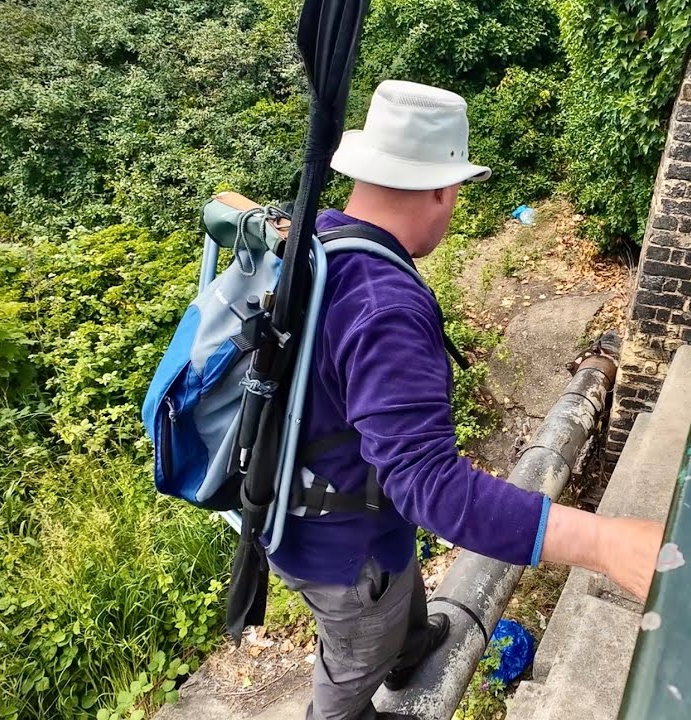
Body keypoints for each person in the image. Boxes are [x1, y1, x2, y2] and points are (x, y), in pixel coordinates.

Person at [267, 79, 664, 720]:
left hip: (312, 490)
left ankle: (411, 646)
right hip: (340, 542)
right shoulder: (383, 304)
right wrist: (604, 542)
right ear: (441, 189)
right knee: (352, 659)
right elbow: (431, 486)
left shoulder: (316, 238)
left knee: (397, 595)